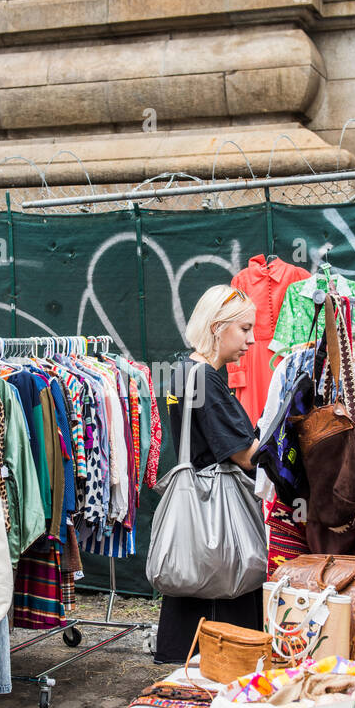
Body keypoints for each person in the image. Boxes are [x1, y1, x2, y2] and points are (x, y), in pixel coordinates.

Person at [153, 284, 262, 668]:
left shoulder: (184, 370)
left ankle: (183, 676)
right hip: (216, 508)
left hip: (194, 506)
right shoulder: (206, 378)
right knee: (224, 585)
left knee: (193, 581)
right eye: (244, 329)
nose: (251, 339)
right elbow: (244, 456)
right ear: (218, 328)